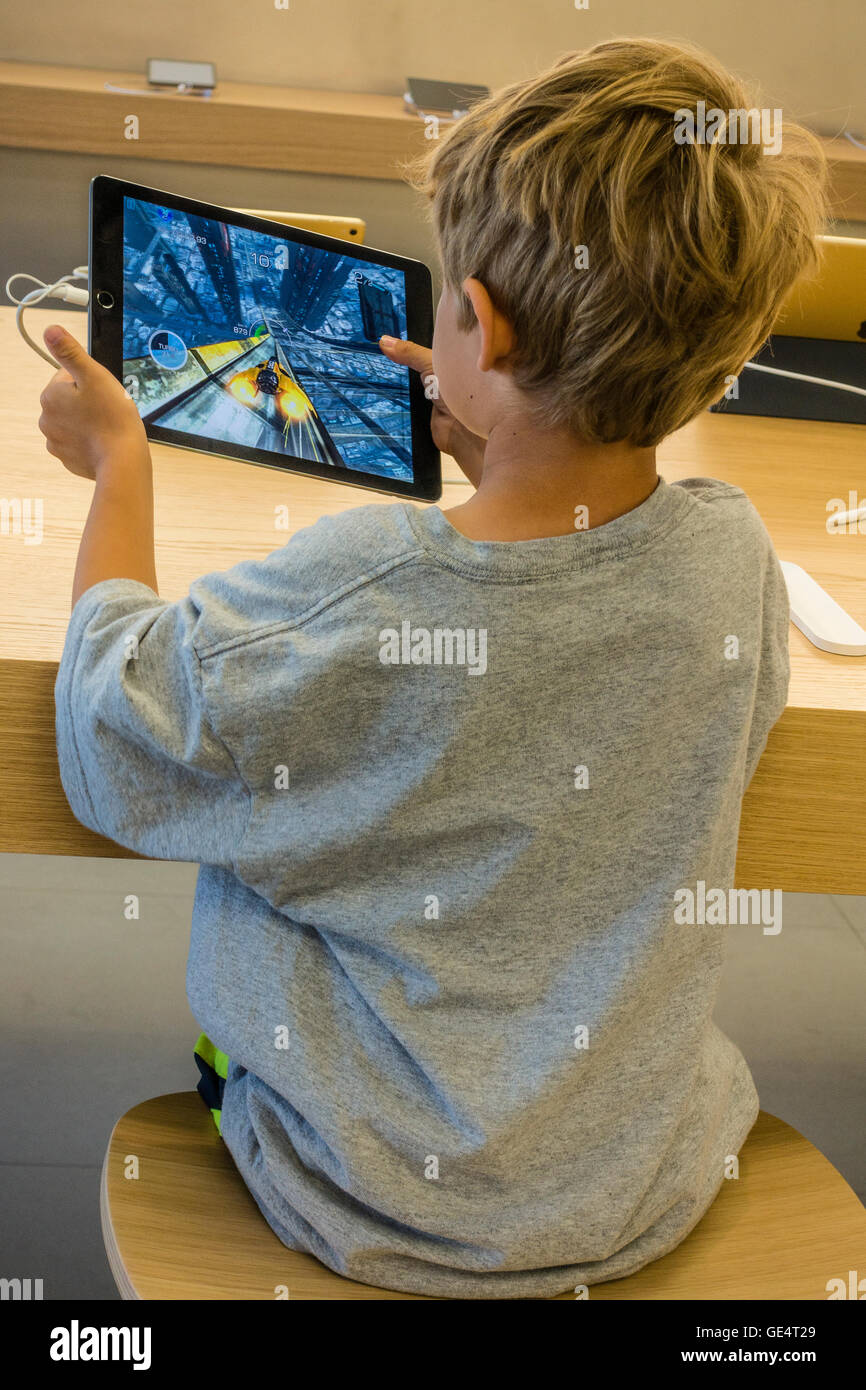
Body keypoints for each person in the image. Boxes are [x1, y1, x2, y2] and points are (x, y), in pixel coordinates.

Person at [40, 37, 826, 1297]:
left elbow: (109, 729)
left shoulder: (362, 586)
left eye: (445, 300)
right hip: (638, 1183)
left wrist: (121, 463)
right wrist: (517, 460)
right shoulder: (729, 553)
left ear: (482, 325)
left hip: (367, 1202)